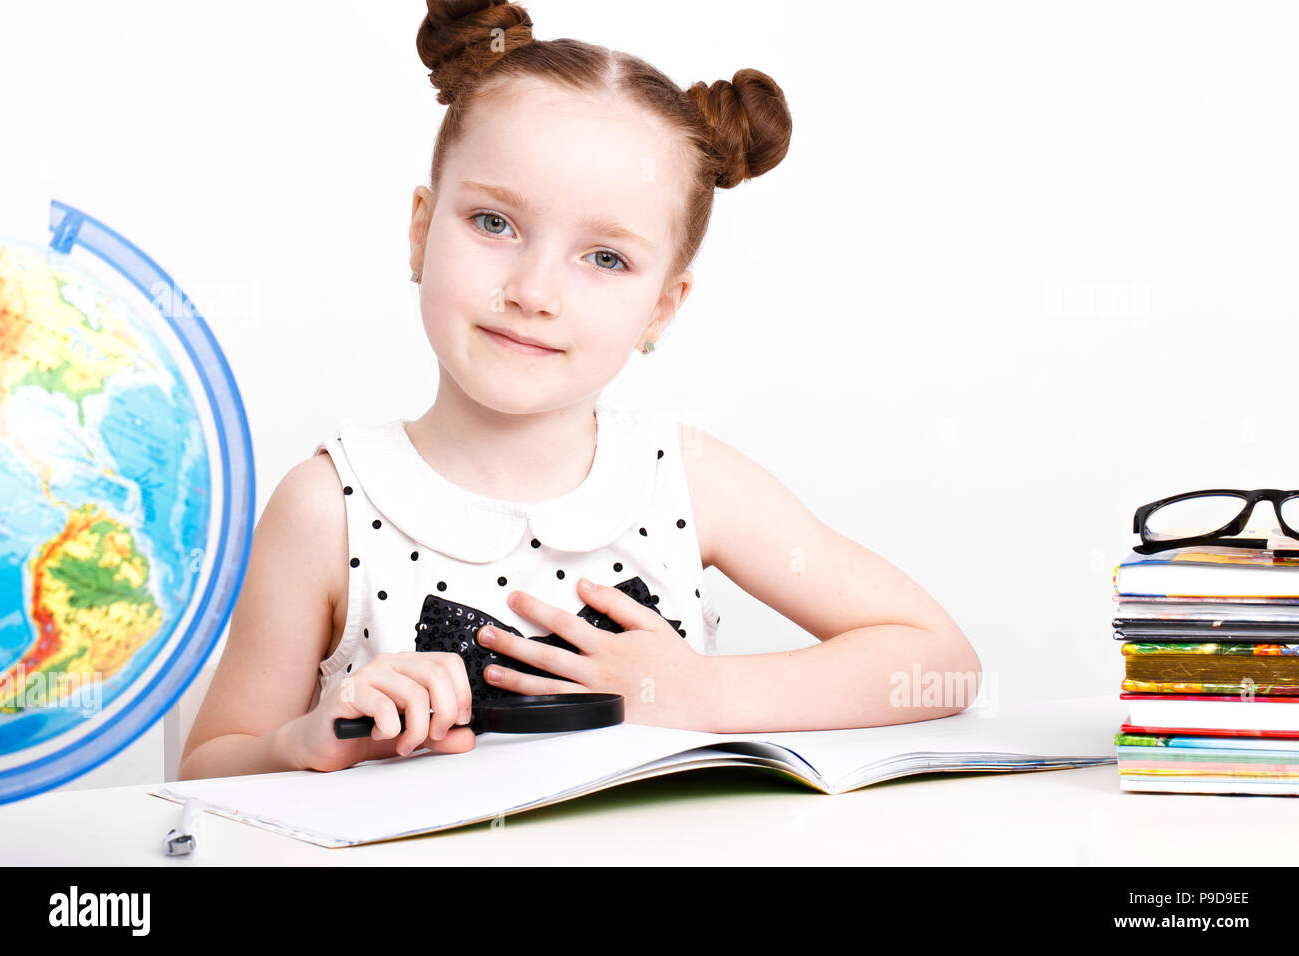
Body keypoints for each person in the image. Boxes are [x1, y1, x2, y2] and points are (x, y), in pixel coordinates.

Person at [179, 0, 982, 780]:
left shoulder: (686, 478)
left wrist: (705, 691)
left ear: (662, 307)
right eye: (494, 223)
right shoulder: (328, 507)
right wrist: (300, 745)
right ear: (421, 229)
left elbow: (939, 659)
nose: (534, 290)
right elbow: (207, 769)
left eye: (604, 258)